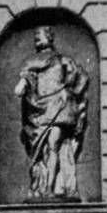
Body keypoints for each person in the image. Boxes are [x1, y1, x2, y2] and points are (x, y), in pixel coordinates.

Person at [14, 26, 89, 199]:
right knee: (43, 150)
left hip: (59, 107)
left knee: (54, 143)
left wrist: (69, 91)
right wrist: (23, 85)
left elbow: (81, 77)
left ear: (49, 37)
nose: (36, 39)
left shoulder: (62, 60)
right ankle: (42, 186)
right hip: (39, 111)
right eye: (35, 37)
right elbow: (24, 82)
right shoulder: (31, 61)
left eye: (39, 35)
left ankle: (49, 187)